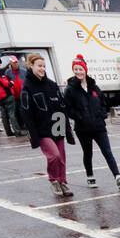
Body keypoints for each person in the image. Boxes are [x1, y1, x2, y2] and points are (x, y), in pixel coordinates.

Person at [65, 55, 120, 190]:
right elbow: (68, 108)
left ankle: (118, 177)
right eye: (75, 69)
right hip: (83, 128)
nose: (78, 72)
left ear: (85, 70)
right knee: (88, 153)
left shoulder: (94, 87)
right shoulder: (70, 89)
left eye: (80, 69)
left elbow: (102, 103)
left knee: (107, 151)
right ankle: (90, 176)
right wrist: (80, 117)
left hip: (99, 126)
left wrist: (101, 115)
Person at [20, 52, 75, 198]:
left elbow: (62, 107)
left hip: (58, 126)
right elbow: (26, 113)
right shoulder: (27, 86)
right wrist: (33, 135)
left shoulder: (51, 84)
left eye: (44, 66)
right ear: (31, 66)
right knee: (54, 156)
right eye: (39, 66)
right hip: (42, 130)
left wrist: (68, 130)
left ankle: (62, 181)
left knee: (62, 158)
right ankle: (53, 180)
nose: (42, 69)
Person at [0, 57, 21, 136]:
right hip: (6, 93)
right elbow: (6, 83)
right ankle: (17, 131)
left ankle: (8, 132)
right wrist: (11, 82)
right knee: (12, 113)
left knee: (4, 115)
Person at [4, 56, 27, 132]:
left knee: (23, 110)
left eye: (16, 62)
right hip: (14, 95)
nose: (16, 64)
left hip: (22, 95)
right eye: (14, 63)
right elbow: (6, 83)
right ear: (11, 63)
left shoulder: (24, 71)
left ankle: (25, 125)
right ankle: (20, 125)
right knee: (16, 111)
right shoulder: (8, 72)